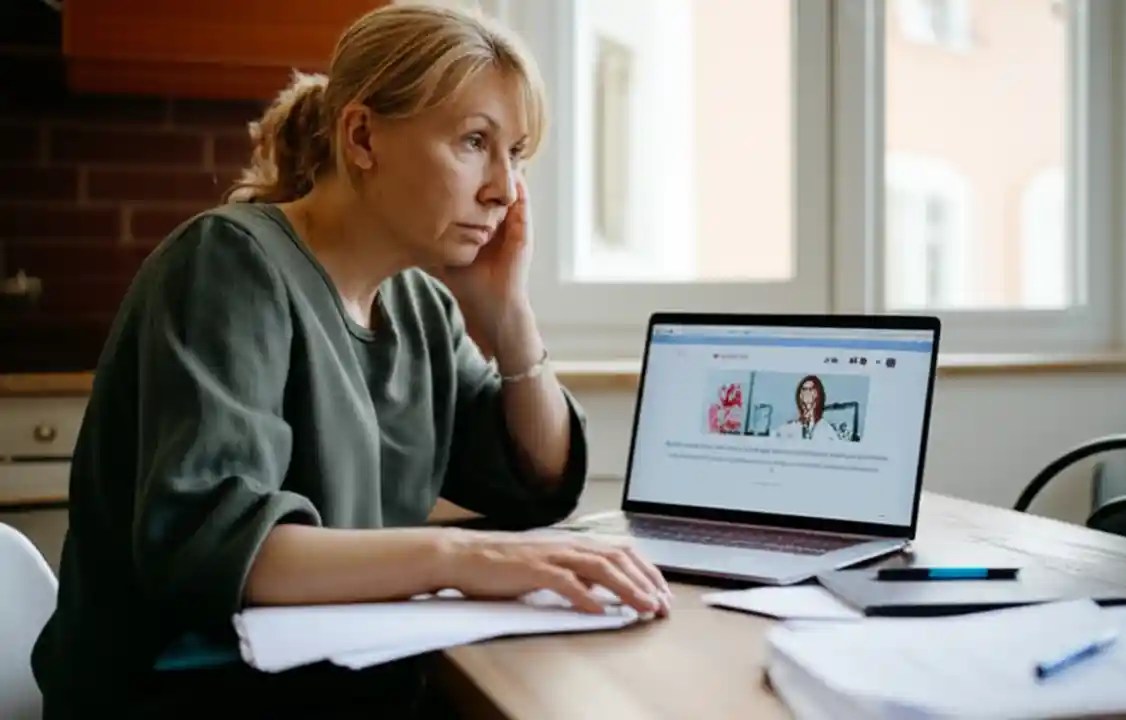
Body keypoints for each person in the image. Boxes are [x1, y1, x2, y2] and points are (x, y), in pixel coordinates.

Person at [30, 5, 670, 718]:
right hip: (185, 697)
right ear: (363, 136)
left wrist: (509, 316)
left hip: (333, 688)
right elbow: (215, 547)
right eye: (473, 142)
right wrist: (459, 559)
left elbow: (536, 476)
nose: (504, 188)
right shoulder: (230, 263)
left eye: (515, 154)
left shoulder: (420, 306)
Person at [772, 375, 840, 441]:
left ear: (817, 394)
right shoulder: (789, 429)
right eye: (804, 389)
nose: (806, 393)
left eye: (810, 389)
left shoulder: (826, 431)